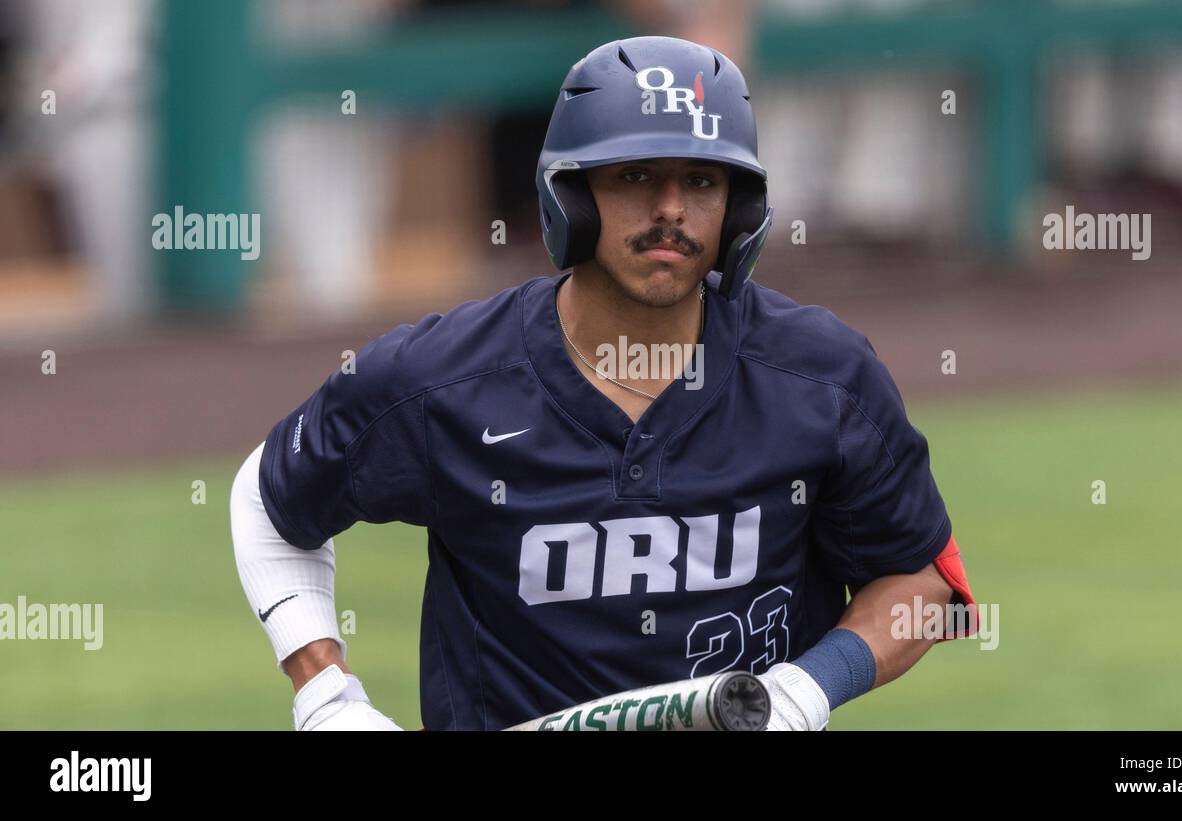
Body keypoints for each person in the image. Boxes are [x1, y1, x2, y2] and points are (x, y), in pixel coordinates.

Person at [231, 35, 976, 731]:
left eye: (702, 181)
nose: (672, 210)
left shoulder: (824, 378)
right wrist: (326, 692)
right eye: (637, 176)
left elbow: (923, 580)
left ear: (739, 208)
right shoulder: (441, 382)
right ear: (573, 196)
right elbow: (268, 499)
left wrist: (806, 690)